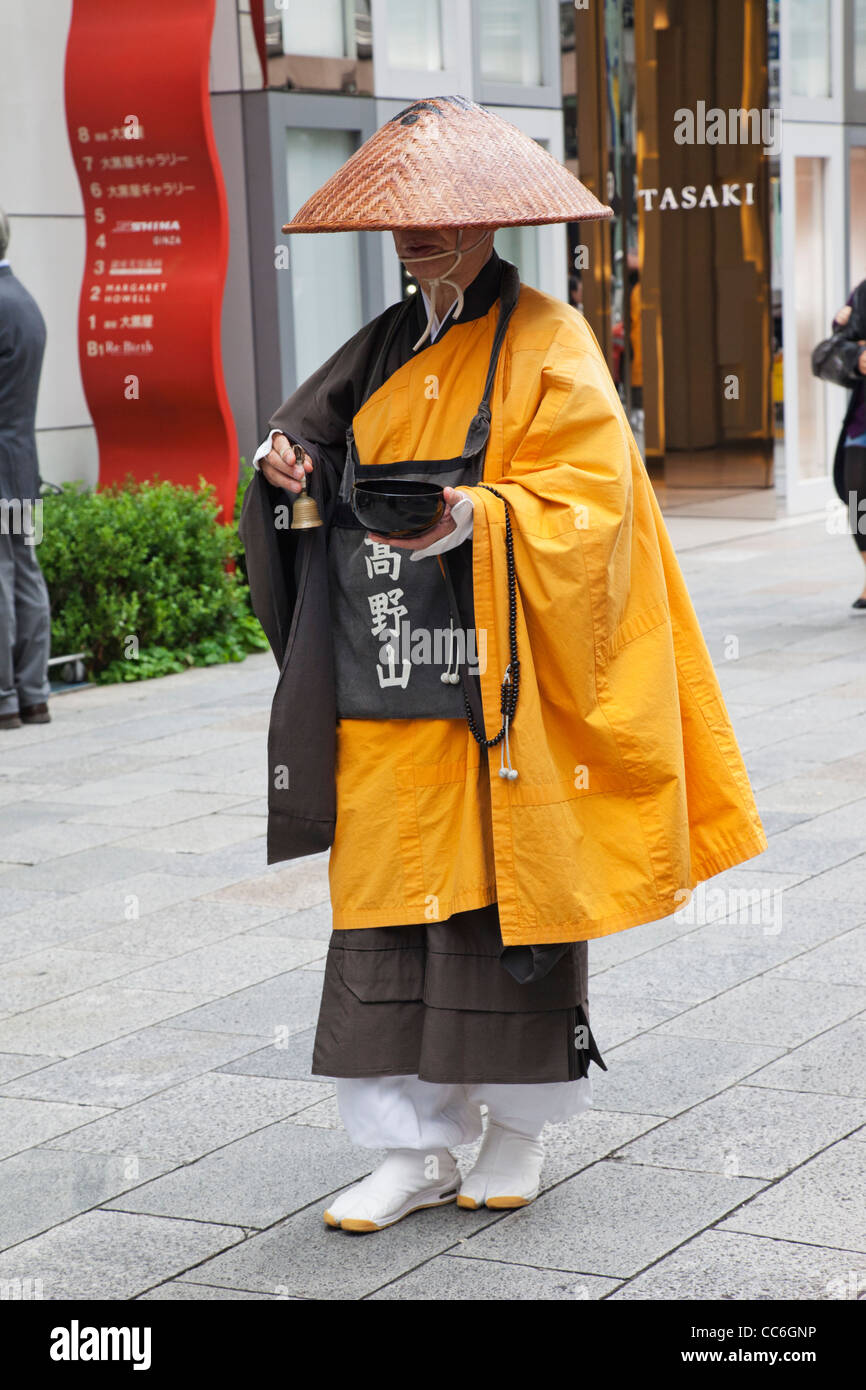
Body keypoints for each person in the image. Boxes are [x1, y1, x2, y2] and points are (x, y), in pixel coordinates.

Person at [239, 96, 767, 1234]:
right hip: (391, 677)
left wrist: (476, 515)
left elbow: (592, 503)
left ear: (490, 222)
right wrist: (291, 469)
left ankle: (518, 1130)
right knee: (381, 905)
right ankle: (406, 1146)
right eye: (402, 219)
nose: (417, 234)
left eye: (442, 216)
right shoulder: (385, 341)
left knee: (506, 908)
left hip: (498, 684)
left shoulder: (548, 337)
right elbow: (319, 450)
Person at [0, 207, 52, 730]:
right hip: (21, 469)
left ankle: (4, 699)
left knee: (2, 575)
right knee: (24, 573)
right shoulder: (25, 301)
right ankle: (33, 695)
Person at [830, 289, 866, 608]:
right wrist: (857, 355)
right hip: (862, 420)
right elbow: (840, 339)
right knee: (857, 501)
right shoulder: (865, 291)